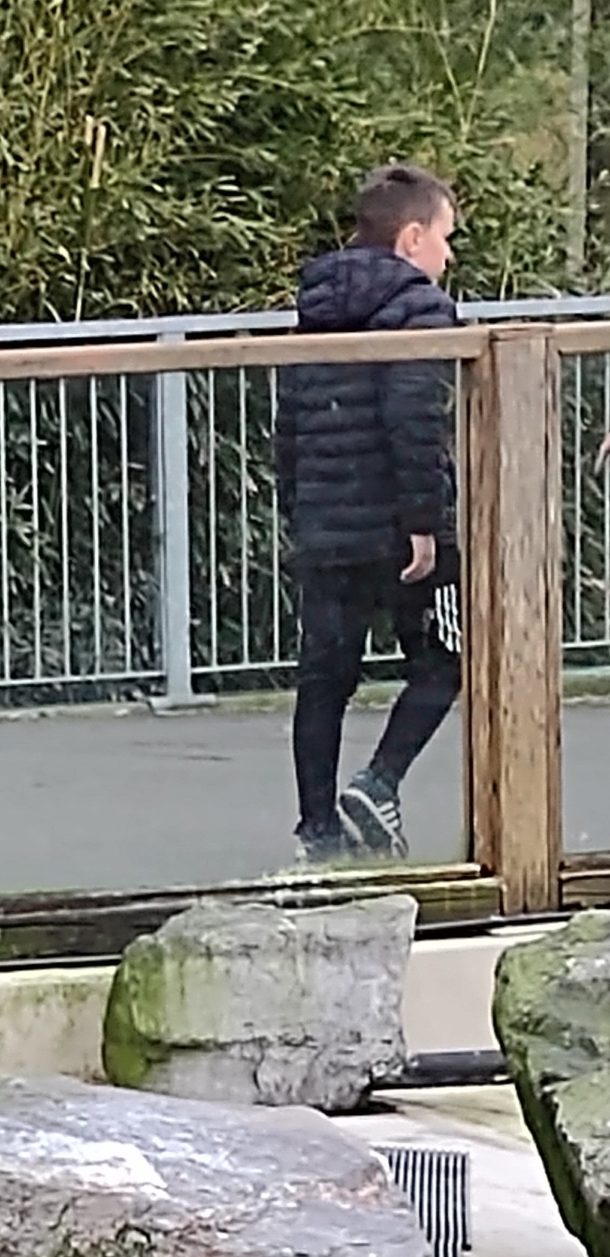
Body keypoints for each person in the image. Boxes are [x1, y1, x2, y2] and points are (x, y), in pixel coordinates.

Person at [276, 162, 461, 862]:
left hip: (326, 525)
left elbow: (289, 423)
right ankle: (379, 781)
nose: (449, 254)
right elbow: (413, 418)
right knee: (447, 657)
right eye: (445, 237)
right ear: (412, 238)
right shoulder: (420, 308)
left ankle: (317, 831)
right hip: (394, 526)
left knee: (324, 675)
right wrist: (424, 523)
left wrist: (299, 508)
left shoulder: (316, 307)